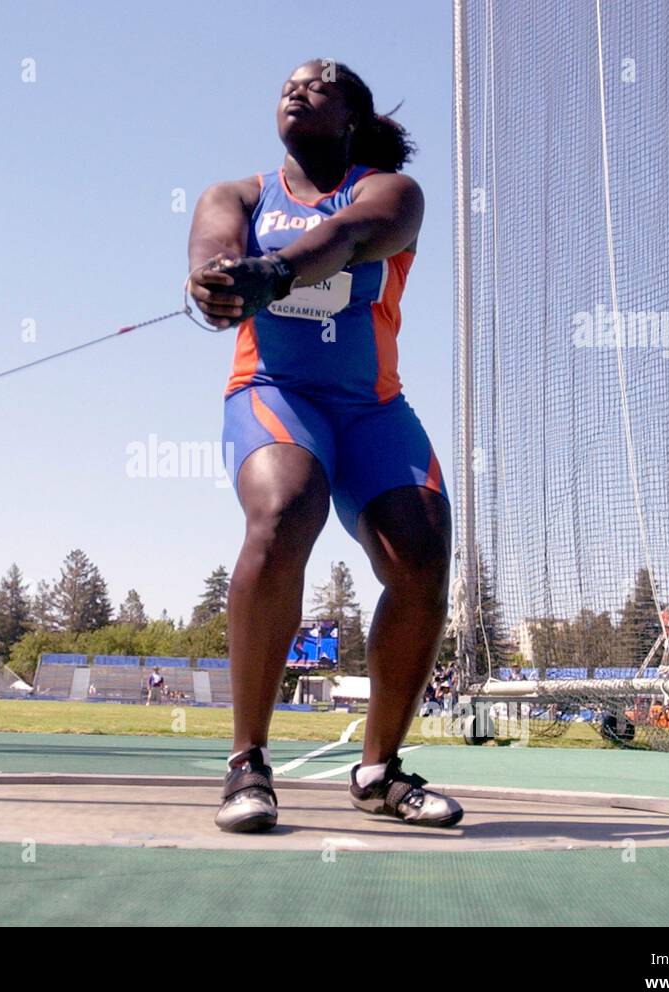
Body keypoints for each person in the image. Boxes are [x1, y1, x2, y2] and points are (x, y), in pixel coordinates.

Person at [187, 59, 460, 833]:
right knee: (285, 509)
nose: (298, 87)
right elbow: (212, 247)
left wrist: (275, 269)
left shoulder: (392, 192)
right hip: (276, 393)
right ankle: (247, 763)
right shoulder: (236, 195)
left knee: (424, 556)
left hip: (371, 407)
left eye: (322, 83)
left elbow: (346, 238)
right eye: (288, 81)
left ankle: (378, 772)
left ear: (351, 117)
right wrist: (215, 282)